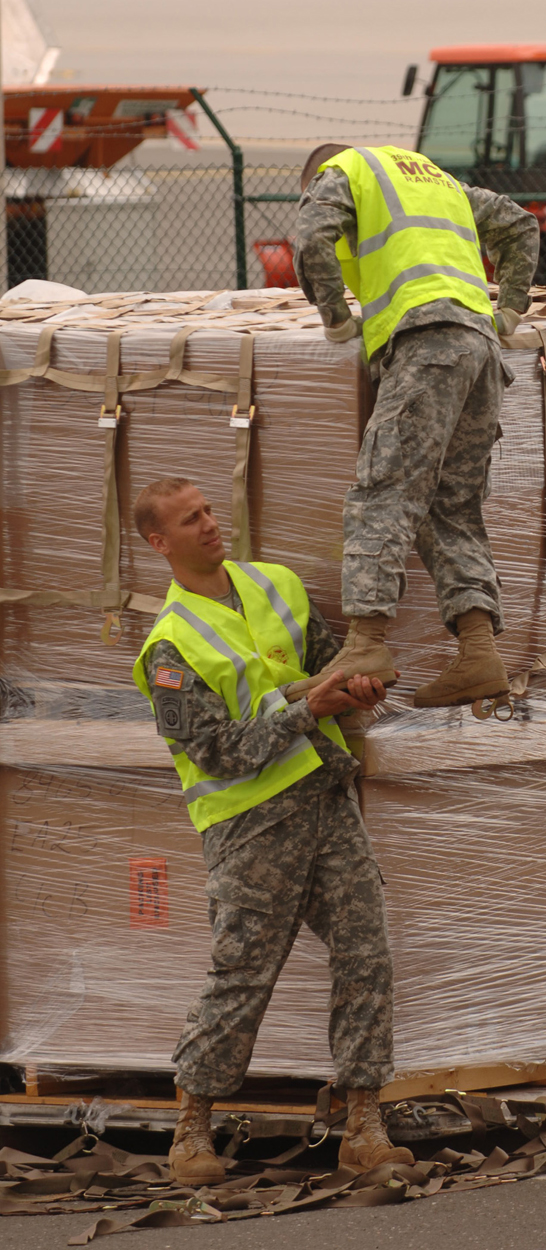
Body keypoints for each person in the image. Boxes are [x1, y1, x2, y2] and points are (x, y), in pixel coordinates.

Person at [131, 476, 408, 1185]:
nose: (210, 524)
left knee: (365, 954)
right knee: (242, 974)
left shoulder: (276, 585)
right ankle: (192, 1131)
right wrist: (306, 710)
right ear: (159, 543)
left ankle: (364, 1125)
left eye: (209, 510)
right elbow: (217, 751)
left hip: (324, 799)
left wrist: (356, 687)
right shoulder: (169, 647)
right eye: (191, 520)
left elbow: (330, 664)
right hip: (249, 826)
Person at [293, 141, 539, 711]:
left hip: (426, 342)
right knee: (448, 506)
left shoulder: (345, 172)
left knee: (383, 492)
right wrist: (511, 309)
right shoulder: (432, 177)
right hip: (478, 348)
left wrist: (335, 319)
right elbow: (521, 226)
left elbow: (310, 240)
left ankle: (366, 642)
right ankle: (478, 650)